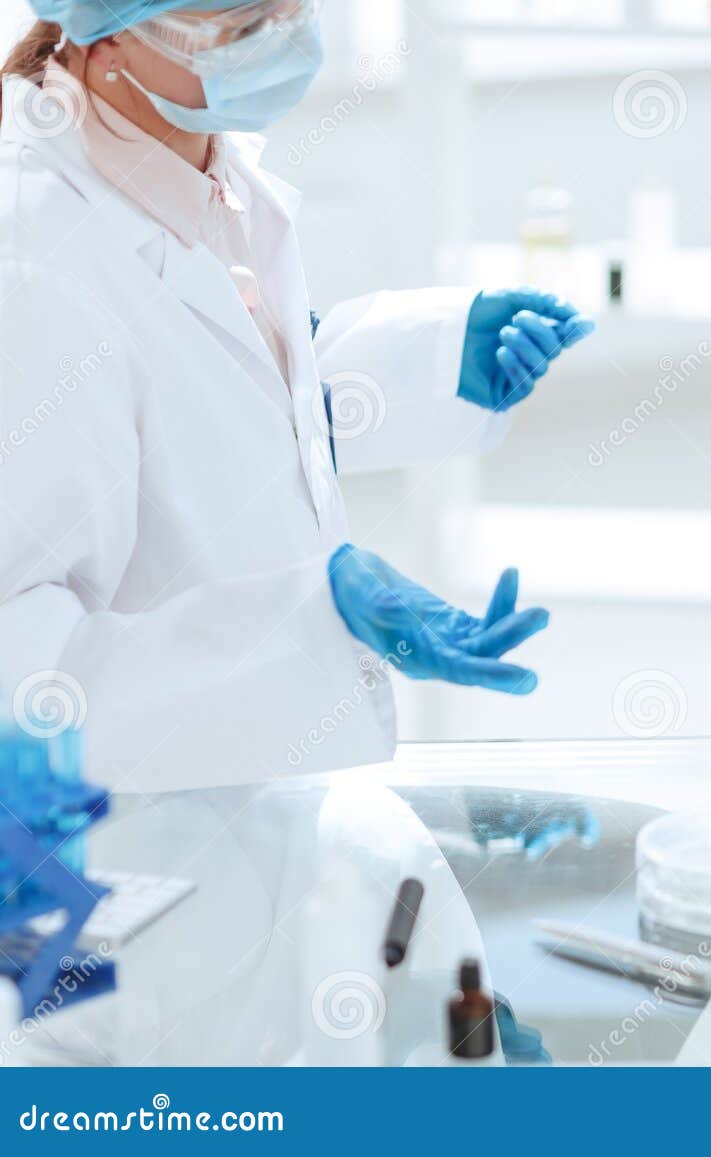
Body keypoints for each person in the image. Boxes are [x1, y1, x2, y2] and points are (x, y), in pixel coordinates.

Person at [0, 1, 596, 790]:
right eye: (245, 23)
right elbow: (26, 681)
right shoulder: (32, 260)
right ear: (110, 38)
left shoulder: (193, 158)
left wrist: (429, 357)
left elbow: (212, 393)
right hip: (147, 824)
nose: (283, 40)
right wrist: (308, 622)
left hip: (257, 798)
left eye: (290, 7)